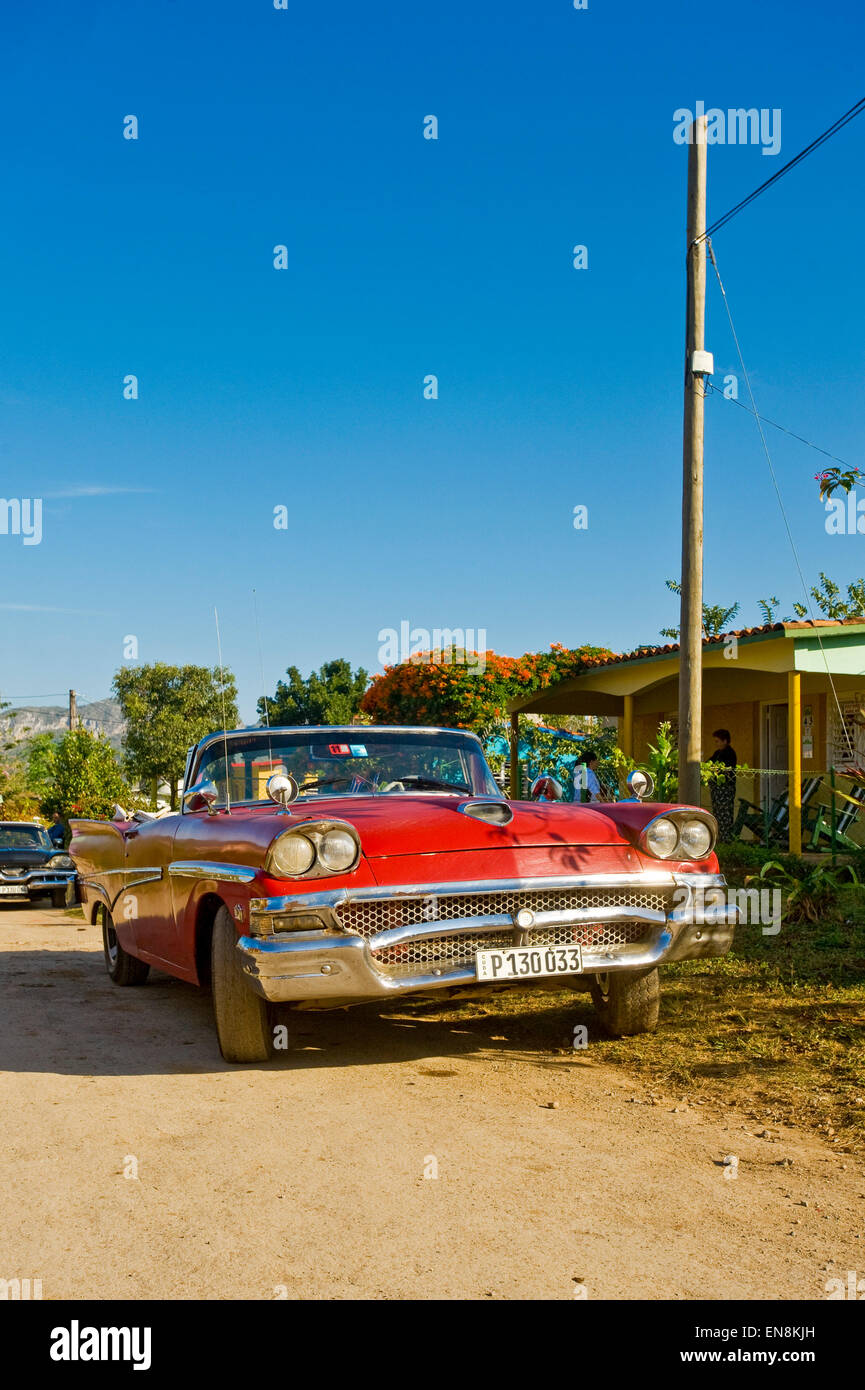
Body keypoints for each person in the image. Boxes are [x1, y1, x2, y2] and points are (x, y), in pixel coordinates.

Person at [707, 729, 737, 842]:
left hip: (725, 788)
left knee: (725, 812)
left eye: (718, 741)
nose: (716, 744)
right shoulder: (717, 753)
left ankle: (726, 838)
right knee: (717, 812)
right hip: (716, 788)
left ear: (725, 741)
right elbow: (709, 763)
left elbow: (724, 769)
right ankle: (719, 837)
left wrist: (716, 770)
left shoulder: (729, 753)